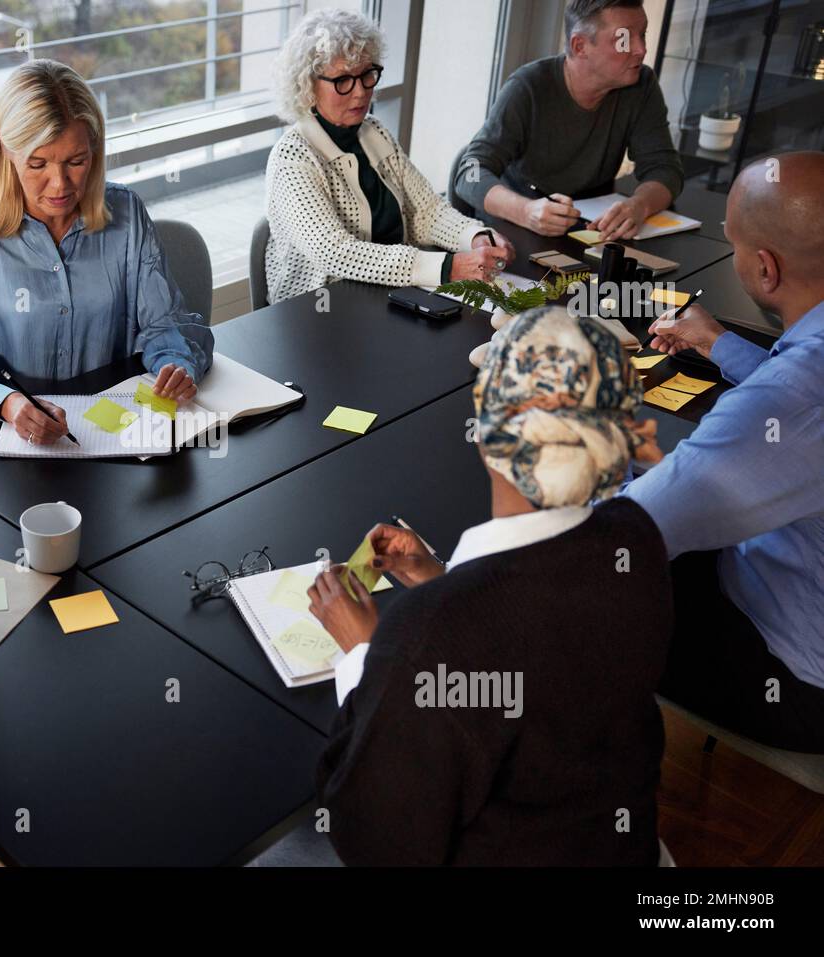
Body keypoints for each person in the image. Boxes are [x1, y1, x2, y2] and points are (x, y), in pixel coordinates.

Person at [308, 305, 671, 865]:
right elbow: (539, 648)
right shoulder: (637, 537)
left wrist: (364, 653)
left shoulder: (428, 636)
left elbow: (374, 838)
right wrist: (440, 580)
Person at [623, 151, 824, 752]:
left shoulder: (784, 402)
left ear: (765, 268)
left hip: (794, 679)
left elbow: (630, 528)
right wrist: (719, 344)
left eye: (732, 244)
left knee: (589, 584)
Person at [0, 59, 213, 438]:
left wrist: (176, 365)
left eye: (76, 161)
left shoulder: (126, 214)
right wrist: (6, 402)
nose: (59, 184)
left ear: (95, 149)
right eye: (37, 164)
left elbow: (167, 325)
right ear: (4, 151)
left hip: (101, 433)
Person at [264, 9, 516, 305]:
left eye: (367, 75)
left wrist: (474, 236)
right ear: (307, 85)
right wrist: (446, 268)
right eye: (343, 80)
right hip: (317, 310)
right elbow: (336, 253)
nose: (360, 93)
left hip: (388, 296)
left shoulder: (374, 132)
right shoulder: (293, 158)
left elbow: (426, 211)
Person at [453, 0, 683, 241]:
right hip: (515, 232)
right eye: (624, 40)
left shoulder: (641, 85)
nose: (641, 49)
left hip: (592, 230)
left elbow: (665, 169)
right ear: (580, 46)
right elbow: (470, 170)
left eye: (642, 34)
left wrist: (639, 205)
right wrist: (525, 211)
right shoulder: (528, 87)